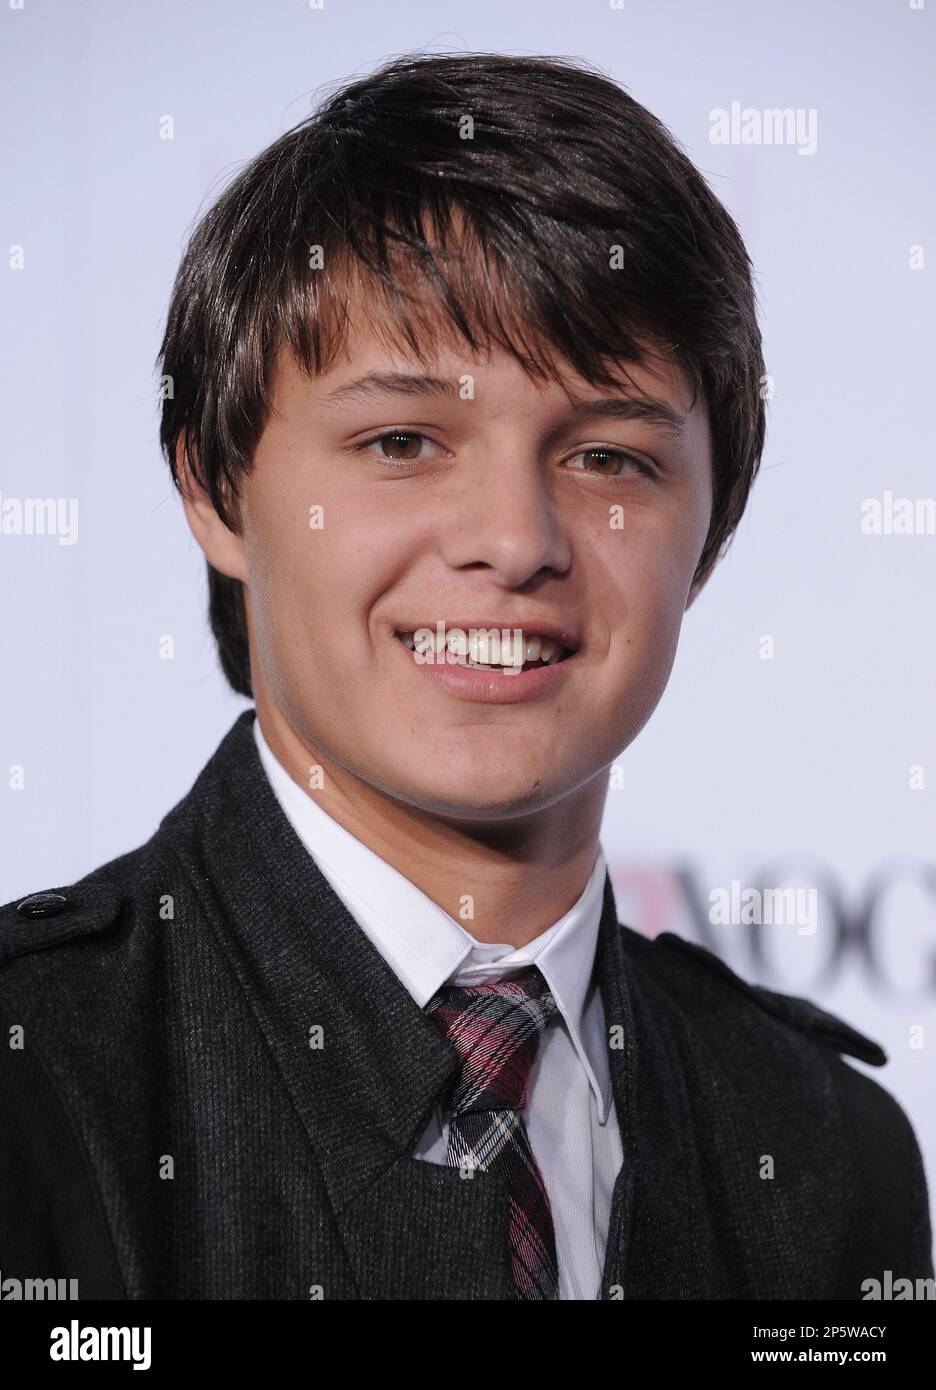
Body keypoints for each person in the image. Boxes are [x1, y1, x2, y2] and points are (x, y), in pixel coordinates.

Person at [1, 51, 931, 1301]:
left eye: (608, 456)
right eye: (400, 441)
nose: (515, 537)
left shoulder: (831, 1150)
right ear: (215, 490)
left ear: (709, 535)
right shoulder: (33, 1077)